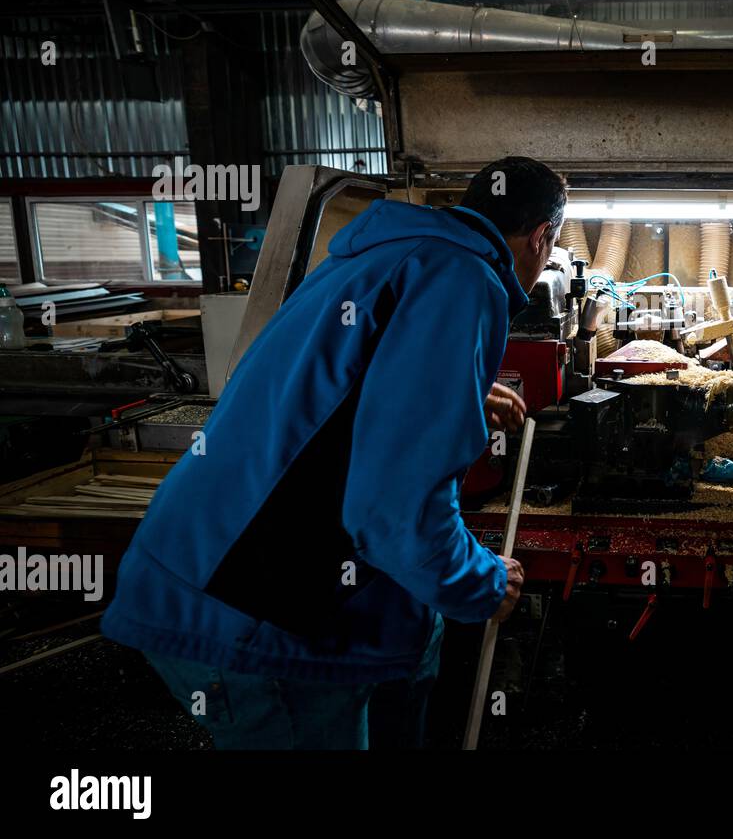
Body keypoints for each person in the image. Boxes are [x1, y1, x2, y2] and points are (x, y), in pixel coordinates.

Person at [102, 156, 567, 749]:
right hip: (254, 612)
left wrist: (463, 391)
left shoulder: (382, 253)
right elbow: (394, 514)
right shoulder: (462, 276)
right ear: (542, 236)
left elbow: (339, 391)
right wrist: (481, 584)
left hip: (194, 566)